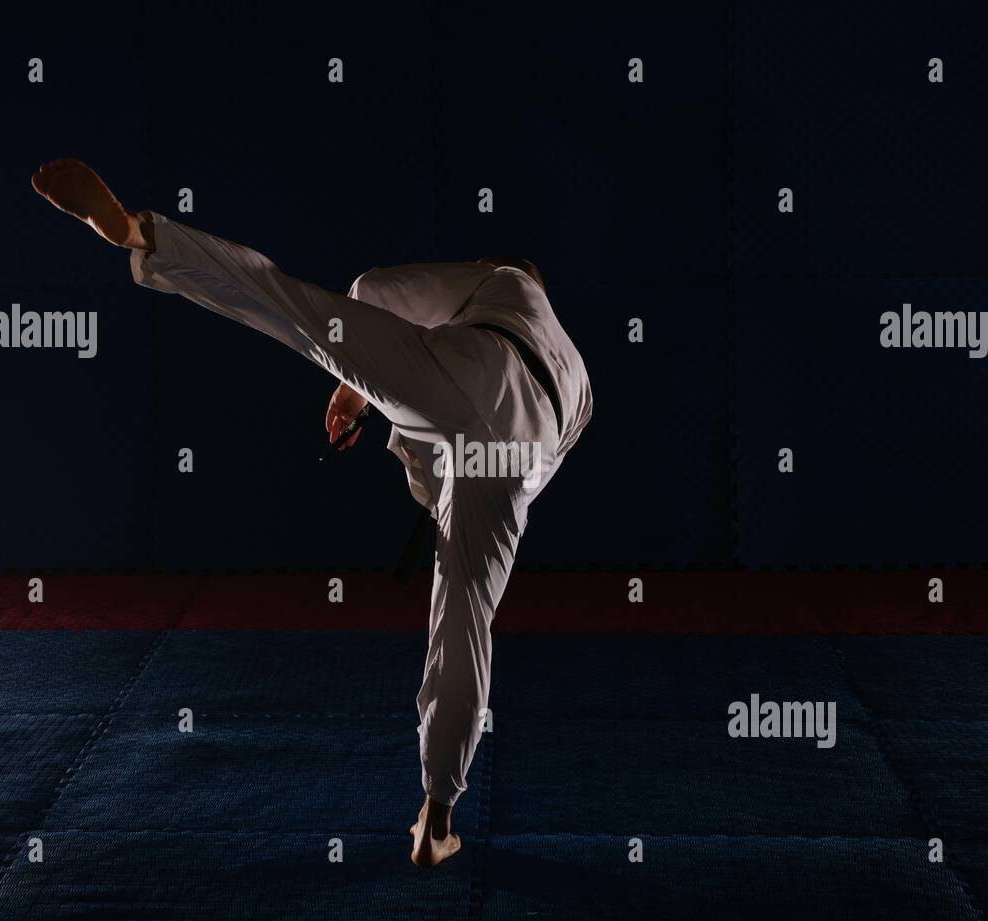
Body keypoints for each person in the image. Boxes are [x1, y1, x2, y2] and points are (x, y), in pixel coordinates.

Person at [31, 159, 593, 866]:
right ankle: (437, 813)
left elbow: (374, 291)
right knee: (464, 616)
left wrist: (355, 387)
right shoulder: (582, 376)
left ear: (496, 266)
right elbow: (529, 466)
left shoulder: (502, 279)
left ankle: (141, 235)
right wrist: (447, 489)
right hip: (522, 450)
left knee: (296, 308)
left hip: (474, 370)